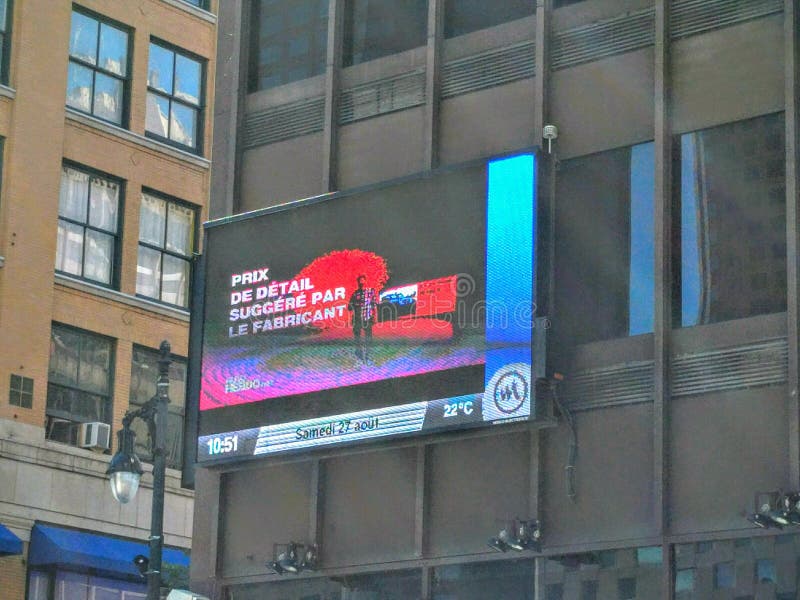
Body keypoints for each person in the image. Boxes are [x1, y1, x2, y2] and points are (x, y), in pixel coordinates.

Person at [348, 274, 377, 364]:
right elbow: (350, 307)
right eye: (359, 281)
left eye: (363, 281)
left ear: (365, 281)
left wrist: (375, 316)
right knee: (357, 338)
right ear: (358, 283)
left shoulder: (371, 291)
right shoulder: (355, 293)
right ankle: (359, 356)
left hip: (367, 318)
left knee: (368, 338)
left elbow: (374, 304)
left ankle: (368, 357)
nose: (361, 283)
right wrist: (351, 317)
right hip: (357, 319)